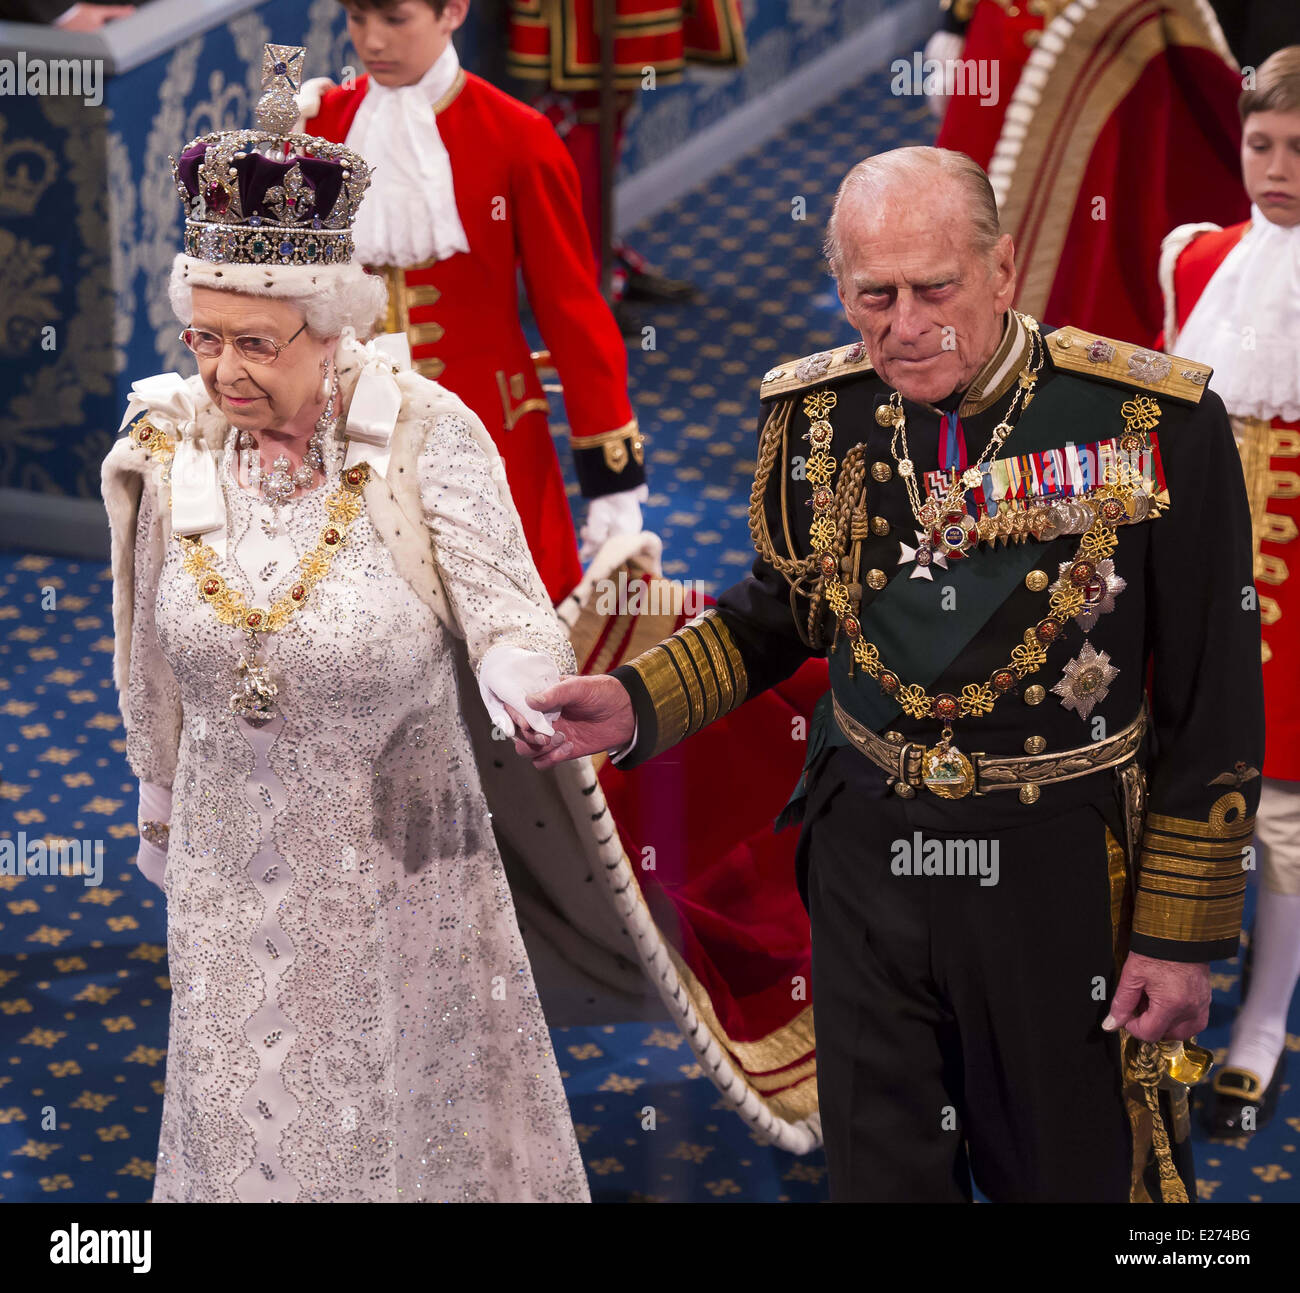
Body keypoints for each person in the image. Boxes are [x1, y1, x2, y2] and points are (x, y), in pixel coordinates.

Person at [513, 146, 1266, 1203]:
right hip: (869, 852)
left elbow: (1213, 704)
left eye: (934, 289)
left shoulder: (1151, 424)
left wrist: (1179, 940)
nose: (904, 325)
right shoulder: (816, 419)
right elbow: (778, 618)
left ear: (1002, 270)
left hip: (1059, 869)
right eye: (874, 295)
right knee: (882, 1174)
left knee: (1075, 1172)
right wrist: (633, 701)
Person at [100, 44, 593, 1201]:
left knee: (393, 1138)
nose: (221, 371)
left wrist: (522, 681)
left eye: (255, 345)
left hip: (400, 866)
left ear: (333, 329)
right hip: (231, 868)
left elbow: (511, 611)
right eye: (204, 339)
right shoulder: (171, 448)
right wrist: (158, 799)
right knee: (246, 1131)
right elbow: (146, 651)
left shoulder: (427, 433)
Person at [297, 0, 648, 602]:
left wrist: (612, 475)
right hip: (345, 425)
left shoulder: (518, 135)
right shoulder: (324, 124)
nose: (372, 41)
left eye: (395, 19)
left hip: (490, 433)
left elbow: (572, 309)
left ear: (452, 12)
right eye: (357, 18)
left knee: (513, 631)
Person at [1159, 44, 1300, 1137]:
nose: (1279, 166)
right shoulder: (1195, 261)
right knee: (1192, 789)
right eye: (1261, 143)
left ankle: (1261, 1024)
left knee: (1285, 823)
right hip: (1208, 581)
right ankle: (1178, 1000)